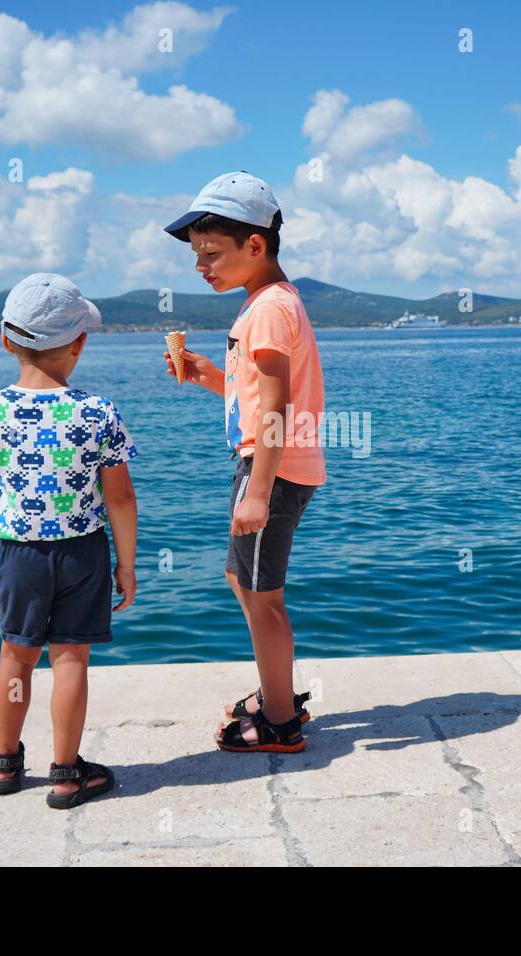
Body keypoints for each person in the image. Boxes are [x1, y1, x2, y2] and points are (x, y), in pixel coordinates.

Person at [163, 171, 326, 753]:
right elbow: (257, 393)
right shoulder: (272, 304)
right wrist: (207, 374)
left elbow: (278, 404)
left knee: (262, 595)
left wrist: (258, 489)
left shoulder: (266, 310)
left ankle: (280, 721)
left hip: (270, 467)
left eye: (211, 254)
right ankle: (275, 690)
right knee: (245, 579)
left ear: (254, 245)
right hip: (271, 464)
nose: (201, 266)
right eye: (196, 256)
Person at [0, 273, 138, 807]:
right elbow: (121, 499)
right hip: (82, 550)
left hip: (20, 554)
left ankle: (4, 763)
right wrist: (125, 567)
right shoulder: (97, 411)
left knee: (15, 658)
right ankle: (66, 774)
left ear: (5, 341)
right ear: (80, 342)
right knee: (70, 661)